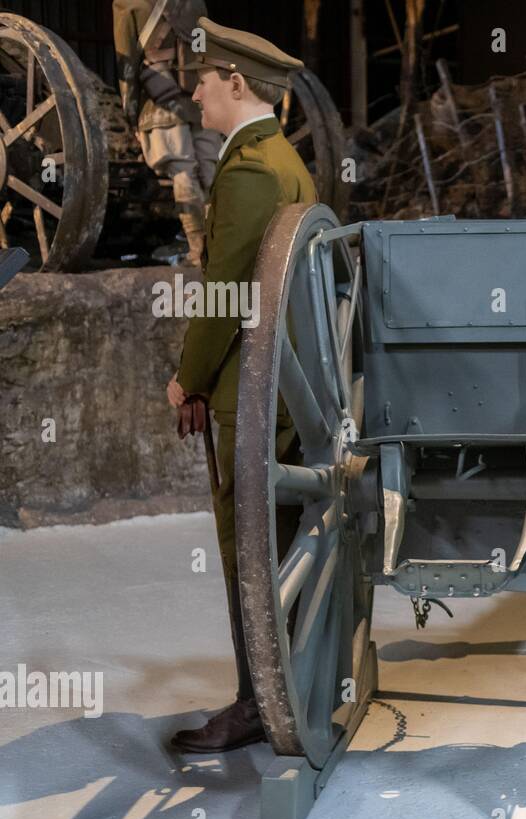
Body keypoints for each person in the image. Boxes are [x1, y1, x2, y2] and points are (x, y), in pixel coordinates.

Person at [165, 17, 317, 752]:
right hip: (282, 388)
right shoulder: (284, 160)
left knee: (247, 551)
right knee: (276, 546)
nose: (194, 92)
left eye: (203, 79)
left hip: (248, 394)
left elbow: (227, 289)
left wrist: (187, 377)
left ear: (235, 81)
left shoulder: (253, 169)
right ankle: (284, 689)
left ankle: (258, 704)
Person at [113, 0, 222, 265]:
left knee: (183, 173)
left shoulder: (128, 4)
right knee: (212, 174)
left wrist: (130, 111)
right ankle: (222, 248)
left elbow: (126, 63)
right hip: (198, 101)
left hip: (160, 102)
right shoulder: (195, 3)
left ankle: (198, 251)